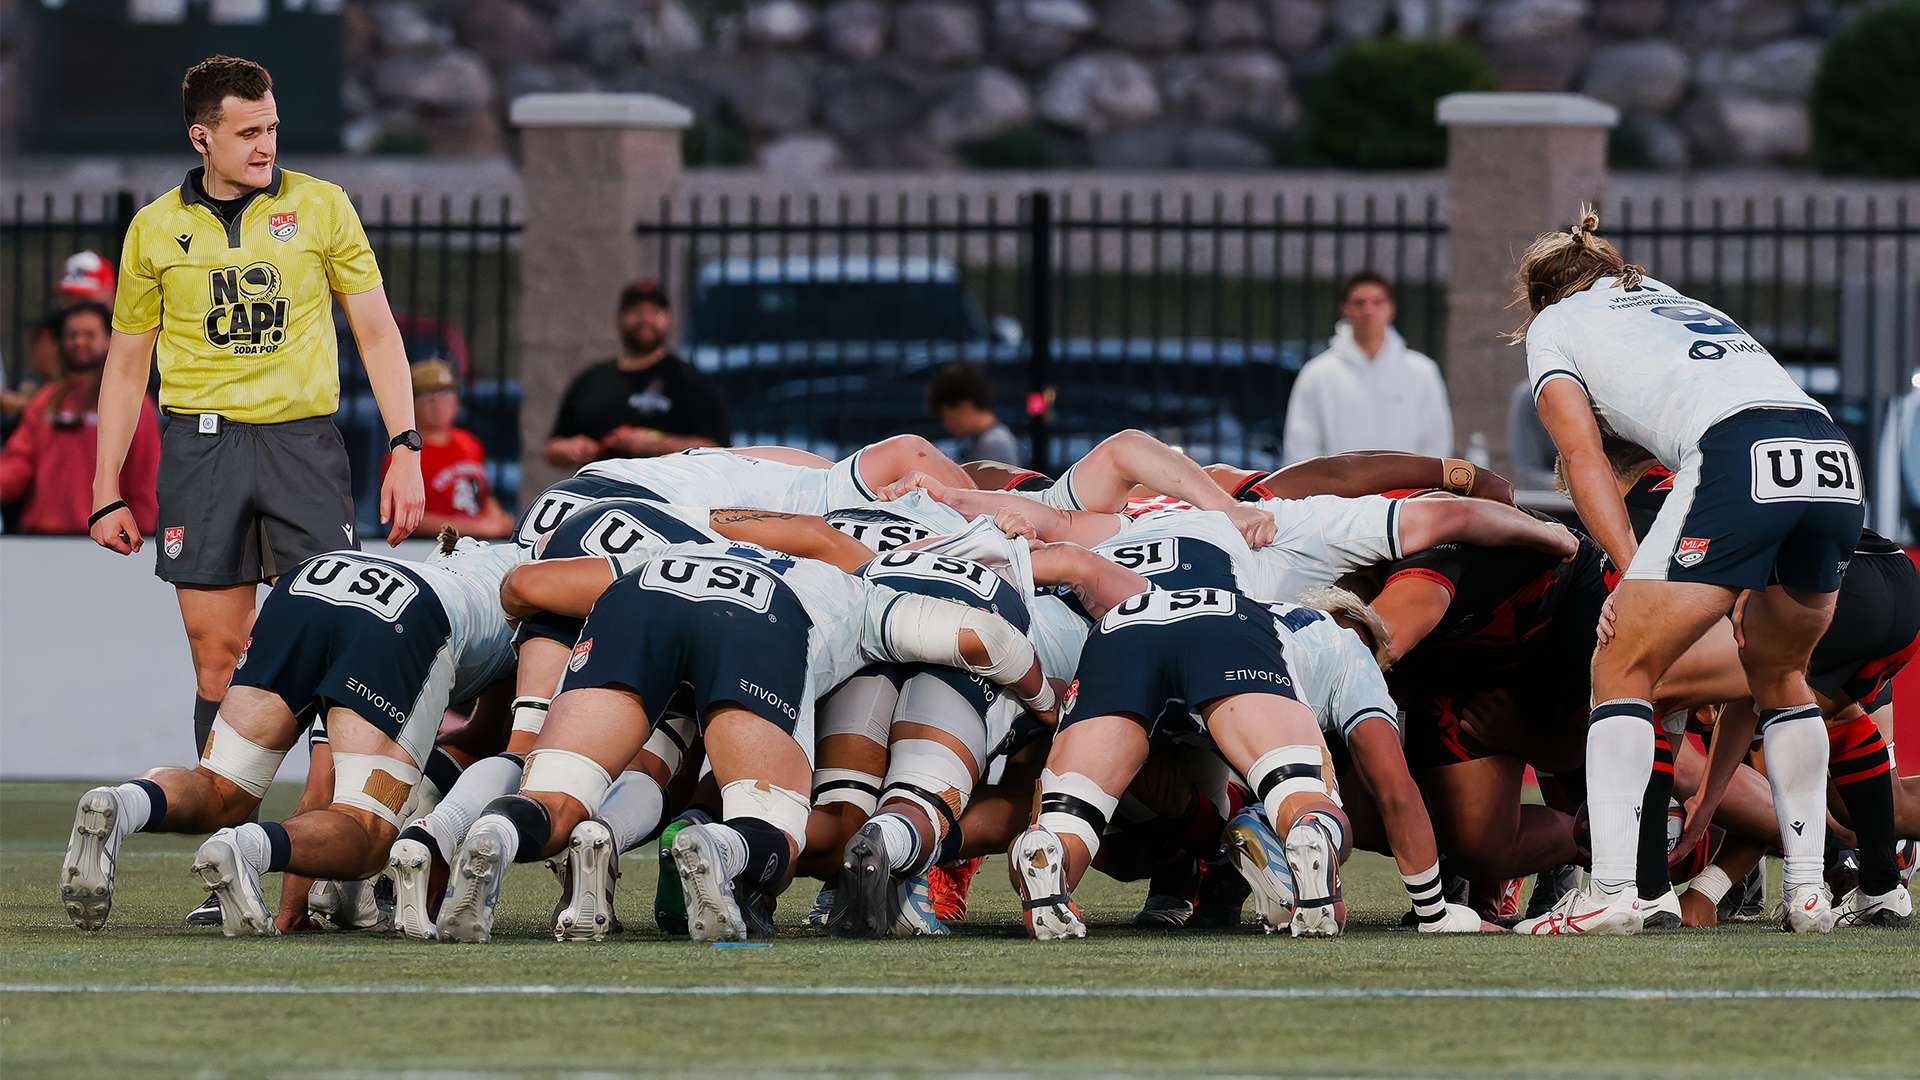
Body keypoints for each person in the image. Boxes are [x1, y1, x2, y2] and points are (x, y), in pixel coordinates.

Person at [1514, 206, 1863, 936]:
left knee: (1619, 665)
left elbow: (1582, 458)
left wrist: (1625, 567)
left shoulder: (1556, 323)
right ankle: (1807, 893)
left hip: (1736, 452)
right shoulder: (1677, 300)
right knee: (1780, 675)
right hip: (1827, 451)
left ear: (1544, 294)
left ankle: (1616, 892)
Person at [88, 55, 426, 770]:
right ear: (200, 138)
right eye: (247, 132)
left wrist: (407, 445)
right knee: (216, 660)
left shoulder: (323, 205)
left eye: (271, 127)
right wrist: (104, 489)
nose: (266, 145)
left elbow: (376, 330)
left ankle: (336, 846)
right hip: (198, 451)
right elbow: (125, 369)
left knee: (340, 641)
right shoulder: (153, 229)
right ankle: (223, 849)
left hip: (301, 446)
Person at [57, 533, 522, 935]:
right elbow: (486, 740)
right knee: (367, 833)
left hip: (312, 581)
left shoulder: (472, 559)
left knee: (223, 789)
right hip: (407, 617)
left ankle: (125, 803)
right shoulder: (540, 600)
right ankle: (248, 848)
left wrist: (292, 911)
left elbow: (321, 785)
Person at [1, 303, 160, 535]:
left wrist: (142, 534)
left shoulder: (134, 403)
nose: (79, 342)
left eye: (89, 335)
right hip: (42, 540)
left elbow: (144, 477)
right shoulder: (46, 400)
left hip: (108, 538)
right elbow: (18, 463)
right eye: (72, 335)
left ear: (109, 339)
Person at [545, 279, 730, 468]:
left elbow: (717, 450)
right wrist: (568, 449)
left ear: (669, 319)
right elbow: (552, 447)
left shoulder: (690, 381)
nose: (646, 319)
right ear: (619, 318)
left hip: (664, 494)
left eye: (655, 312)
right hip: (597, 493)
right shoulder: (590, 379)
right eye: (637, 312)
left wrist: (654, 445)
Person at [1282, 271, 1452, 465]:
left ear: (1391, 308)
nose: (1368, 310)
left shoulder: (1422, 371)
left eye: (1378, 302)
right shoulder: (1317, 374)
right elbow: (1301, 443)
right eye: (1359, 303)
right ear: (1344, 309)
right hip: (1335, 494)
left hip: (1407, 492)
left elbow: (1436, 439)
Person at [383, 359, 513, 539]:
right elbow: (405, 518)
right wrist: (476, 528)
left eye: (446, 392)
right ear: (410, 402)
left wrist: (500, 521)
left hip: (476, 546)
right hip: (430, 547)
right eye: (426, 394)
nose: (438, 402)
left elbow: (484, 496)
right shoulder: (403, 453)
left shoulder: (469, 443)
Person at [4, 252, 119, 424]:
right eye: (69, 297)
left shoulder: (134, 334)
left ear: (109, 296)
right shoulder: (51, 331)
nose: (74, 306)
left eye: (84, 298)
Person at [926, 362, 1017, 465]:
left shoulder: (994, 443)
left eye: (948, 417)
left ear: (965, 406)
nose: (946, 424)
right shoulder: (976, 440)